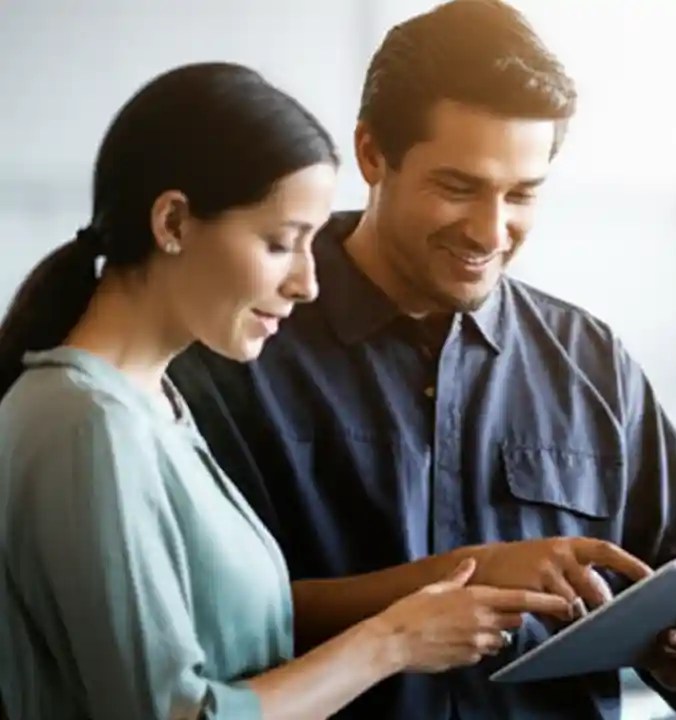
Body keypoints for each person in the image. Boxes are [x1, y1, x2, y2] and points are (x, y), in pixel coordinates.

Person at [169, 1, 676, 717]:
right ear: (371, 154)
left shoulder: (593, 363)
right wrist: (457, 580)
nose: (491, 231)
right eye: (458, 188)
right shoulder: (236, 343)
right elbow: (193, 619)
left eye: (521, 194)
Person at [0, 62, 592, 719]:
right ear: (172, 222)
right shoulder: (87, 426)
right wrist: (391, 643)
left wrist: (462, 572)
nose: (307, 282)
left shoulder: (156, 406)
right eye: (281, 244)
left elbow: (259, 623)